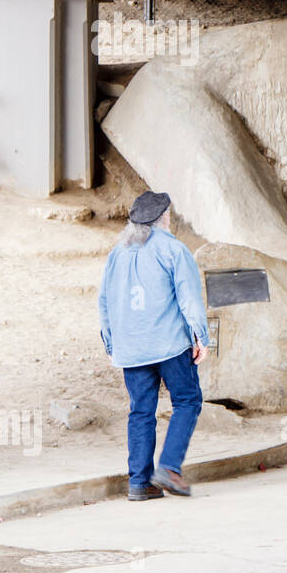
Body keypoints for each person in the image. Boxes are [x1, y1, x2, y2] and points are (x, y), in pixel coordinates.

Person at [98, 191, 208, 501]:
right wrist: (201, 337)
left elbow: (103, 302)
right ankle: (169, 468)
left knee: (141, 412)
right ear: (164, 218)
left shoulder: (116, 253)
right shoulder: (173, 249)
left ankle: (139, 482)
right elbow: (189, 299)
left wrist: (111, 344)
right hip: (170, 344)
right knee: (187, 400)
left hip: (130, 348)